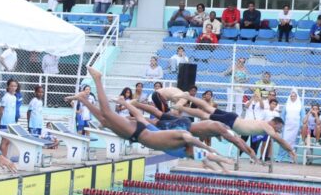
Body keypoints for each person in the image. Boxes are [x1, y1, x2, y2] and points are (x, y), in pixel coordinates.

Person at [69, 68, 227, 166]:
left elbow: (205, 156)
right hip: (137, 132)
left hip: (135, 135)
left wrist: (221, 163)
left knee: (104, 121)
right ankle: (97, 79)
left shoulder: (185, 150)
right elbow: (189, 138)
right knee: (108, 114)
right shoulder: (178, 136)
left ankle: (83, 98)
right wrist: (208, 147)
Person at [154, 86, 297, 162]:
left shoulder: (265, 124)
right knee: (205, 113)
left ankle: (185, 101)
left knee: (207, 109)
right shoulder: (267, 126)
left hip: (233, 118)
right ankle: (182, 106)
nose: (279, 130)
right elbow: (280, 139)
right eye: (279, 127)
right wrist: (290, 150)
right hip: (233, 121)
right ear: (275, 123)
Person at [279, 89, 303, 162]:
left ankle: (291, 158)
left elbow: (302, 116)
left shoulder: (300, 105)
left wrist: (301, 125)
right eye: (291, 96)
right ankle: (280, 157)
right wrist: (282, 125)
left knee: (294, 142)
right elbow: (283, 115)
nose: (293, 97)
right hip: (287, 126)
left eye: (294, 96)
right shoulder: (286, 105)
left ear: (297, 97)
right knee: (284, 141)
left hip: (296, 126)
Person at [0, 79, 20, 156]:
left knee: (8, 141)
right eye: (12, 86)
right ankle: (1, 158)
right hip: (5, 122)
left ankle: (5, 157)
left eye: (15, 86)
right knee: (4, 141)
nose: (13, 88)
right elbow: (1, 110)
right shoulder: (5, 97)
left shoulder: (14, 97)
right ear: (8, 86)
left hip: (12, 123)